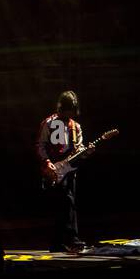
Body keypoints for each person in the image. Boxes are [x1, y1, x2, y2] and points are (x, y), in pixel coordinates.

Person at [36, 90, 86, 253]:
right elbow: (40, 145)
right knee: (65, 203)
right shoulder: (48, 123)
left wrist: (85, 152)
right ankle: (70, 239)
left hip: (70, 169)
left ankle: (61, 241)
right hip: (54, 171)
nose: (69, 113)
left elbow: (79, 150)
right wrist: (47, 163)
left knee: (68, 203)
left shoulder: (75, 127)